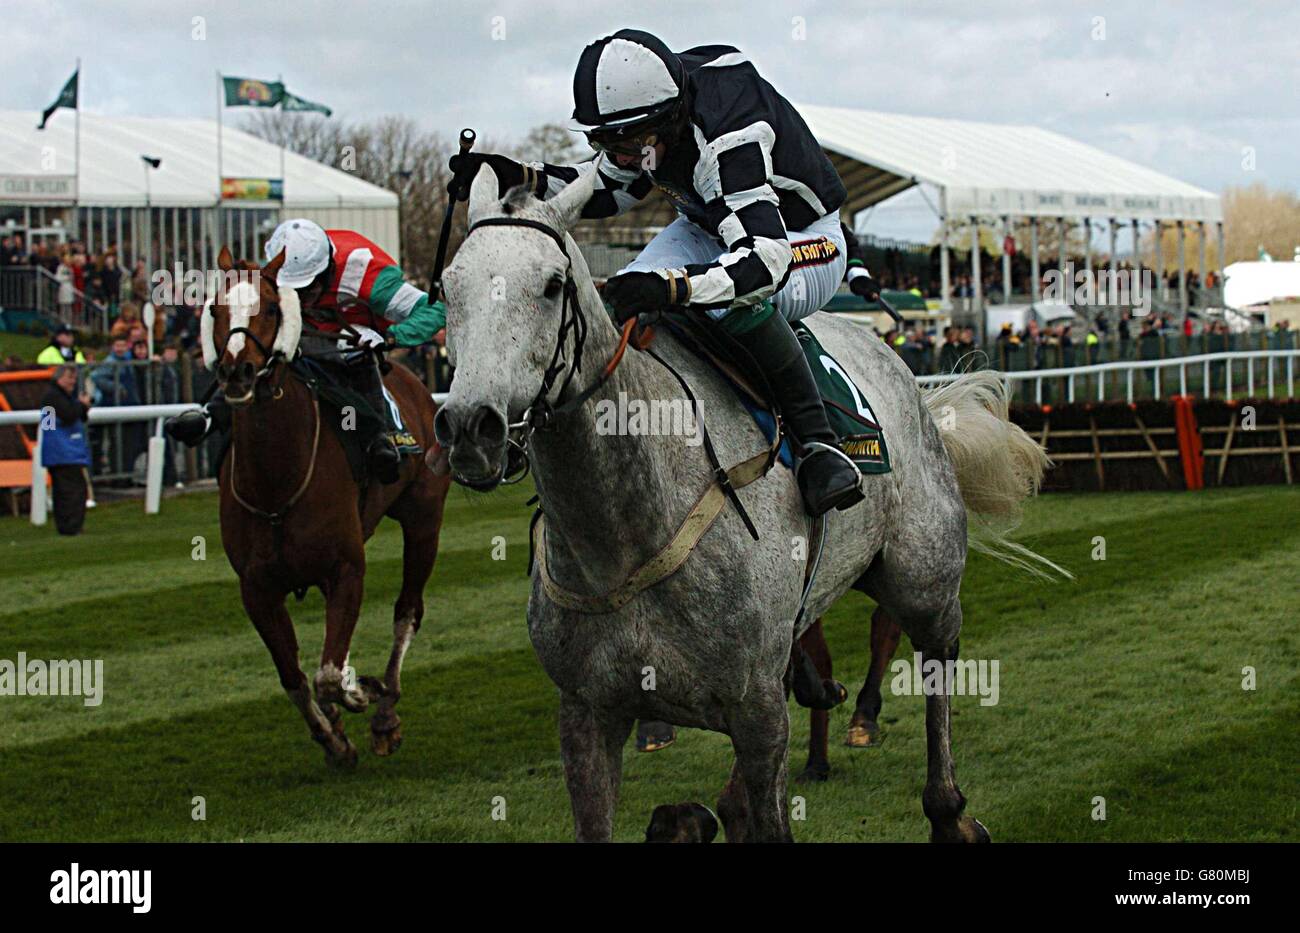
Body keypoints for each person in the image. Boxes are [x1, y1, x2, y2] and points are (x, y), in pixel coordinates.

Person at [453, 29, 863, 516]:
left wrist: (674, 287)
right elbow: (610, 187)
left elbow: (763, 264)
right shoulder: (648, 122)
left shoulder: (729, 137)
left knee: (727, 300)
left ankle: (820, 445)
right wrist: (517, 173)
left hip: (801, 239)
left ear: (666, 123)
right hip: (705, 224)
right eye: (602, 140)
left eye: (624, 142)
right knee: (617, 304)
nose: (618, 155)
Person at [165, 219, 447, 483]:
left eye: (310, 285)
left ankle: (379, 435)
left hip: (355, 335)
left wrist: (391, 337)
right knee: (258, 348)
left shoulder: (366, 272)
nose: (303, 294)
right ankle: (211, 415)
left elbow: (434, 310)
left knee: (355, 353)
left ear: (327, 269)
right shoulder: (279, 265)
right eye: (295, 287)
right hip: (304, 333)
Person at [39, 365, 93, 536]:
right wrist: (83, 406)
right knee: (73, 491)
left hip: (56, 451)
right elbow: (69, 416)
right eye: (70, 378)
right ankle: (71, 527)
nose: (73, 382)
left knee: (63, 492)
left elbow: (51, 424)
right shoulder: (54, 397)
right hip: (64, 452)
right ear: (60, 378)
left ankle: (67, 526)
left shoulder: (51, 396)